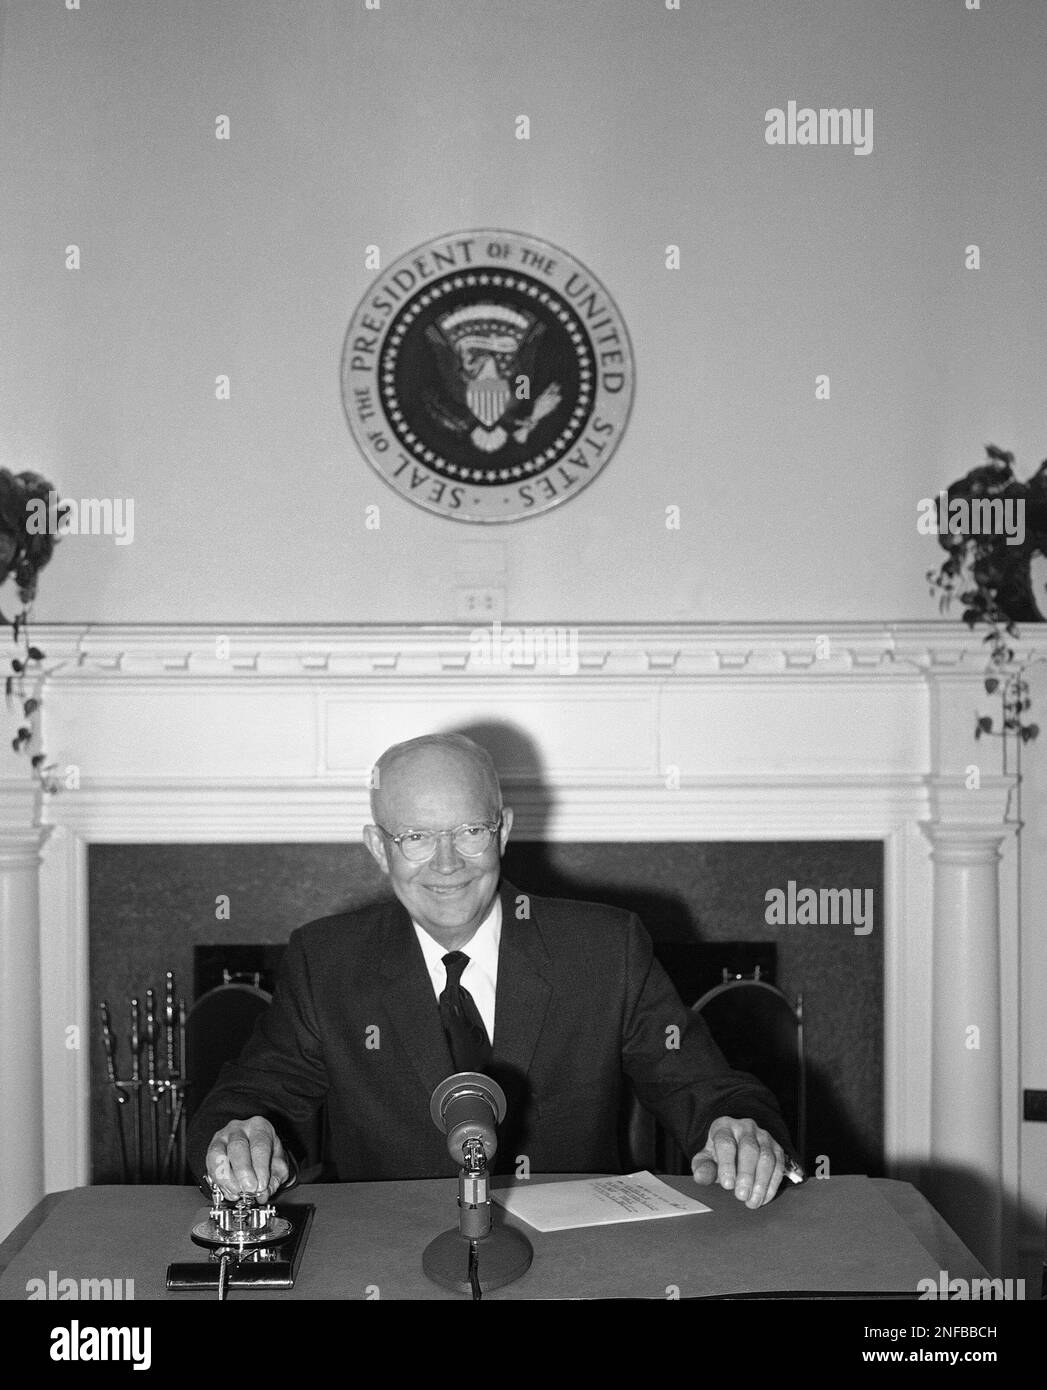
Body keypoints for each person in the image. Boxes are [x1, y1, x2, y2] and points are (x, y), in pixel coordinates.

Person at [190, 733, 795, 1208]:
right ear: (379, 848)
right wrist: (241, 1145)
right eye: (416, 837)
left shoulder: (605, 949)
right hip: (386, 1265)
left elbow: (708, 1090)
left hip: (571, 1268)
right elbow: (246, 1103)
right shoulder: (327, 962)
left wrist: (736, 1131)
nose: (448, 863)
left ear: (503, 830)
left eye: (470, 831)